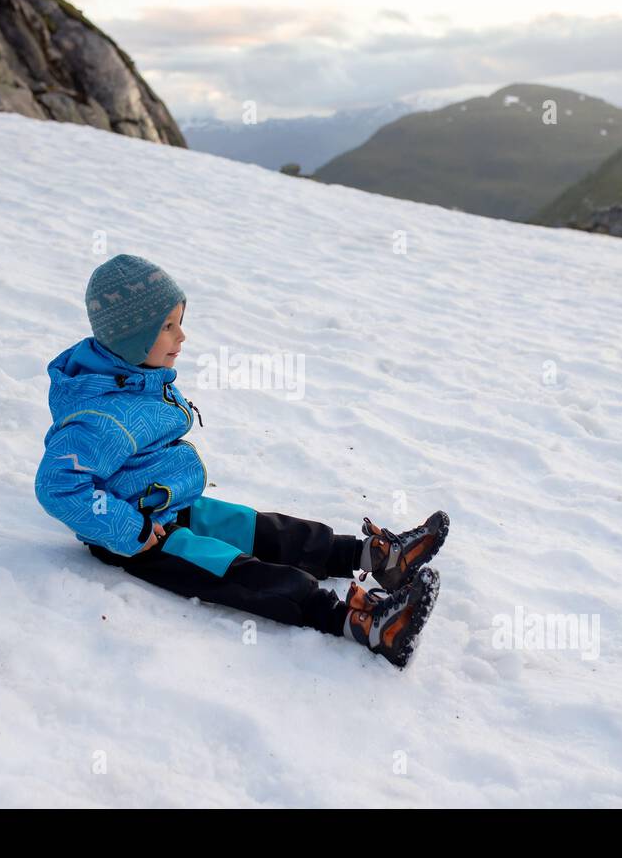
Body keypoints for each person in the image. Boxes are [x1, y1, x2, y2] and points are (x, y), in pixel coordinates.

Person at [34, 254, 448, 667]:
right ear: (131, 339)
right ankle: (364, 624)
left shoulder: (128, 374)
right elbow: (57, 485)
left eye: (180, 321)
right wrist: (130, 529)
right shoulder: (98, 418)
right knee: (234, 569)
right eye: (167, 326)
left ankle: (371, 557)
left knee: (263, 529)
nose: (182, 336)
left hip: (169, 502)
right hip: (139, 536)